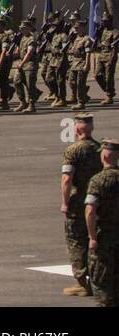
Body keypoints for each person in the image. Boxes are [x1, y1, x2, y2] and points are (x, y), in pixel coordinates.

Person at [61, 113, 103, 296]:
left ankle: (81, 282)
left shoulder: (73, 150)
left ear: (76, 128)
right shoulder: (100, 149)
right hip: (100, 200)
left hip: (79, 201)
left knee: (77, 240)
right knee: (95, 239)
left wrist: (64, 202)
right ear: (91, 128)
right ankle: (98, 279)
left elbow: (66, 179)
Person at [85, 139, 119, 307]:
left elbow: (90, 210)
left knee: (103, 284)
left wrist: (92, 237)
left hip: (105, 236)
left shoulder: (98, 180)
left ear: (104, 156)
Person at [65, 16, 93, 109]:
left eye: (77, 28)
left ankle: (81, 102)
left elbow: (88, 53)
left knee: (80, 83)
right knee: (71, 82)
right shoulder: (76, 38)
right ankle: (83, 95)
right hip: (74, 62)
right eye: (75, 28)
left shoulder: (86, 39)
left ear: (82, 28)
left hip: (81, 62)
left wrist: (87, 65)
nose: (75, 30)